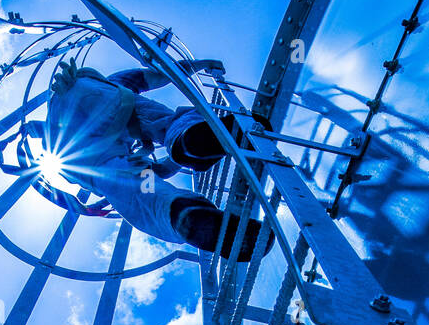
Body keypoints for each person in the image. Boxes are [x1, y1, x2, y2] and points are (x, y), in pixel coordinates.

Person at [37, 56, 273, 260]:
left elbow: (155, 171)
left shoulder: (63, 103)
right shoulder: (111, 81)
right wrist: (201, 64)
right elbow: (159, 75)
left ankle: (179, 213)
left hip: (82, 153)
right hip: (116, 103)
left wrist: (162, 166)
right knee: (165, 123)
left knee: (138, 193)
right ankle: (182, 138)